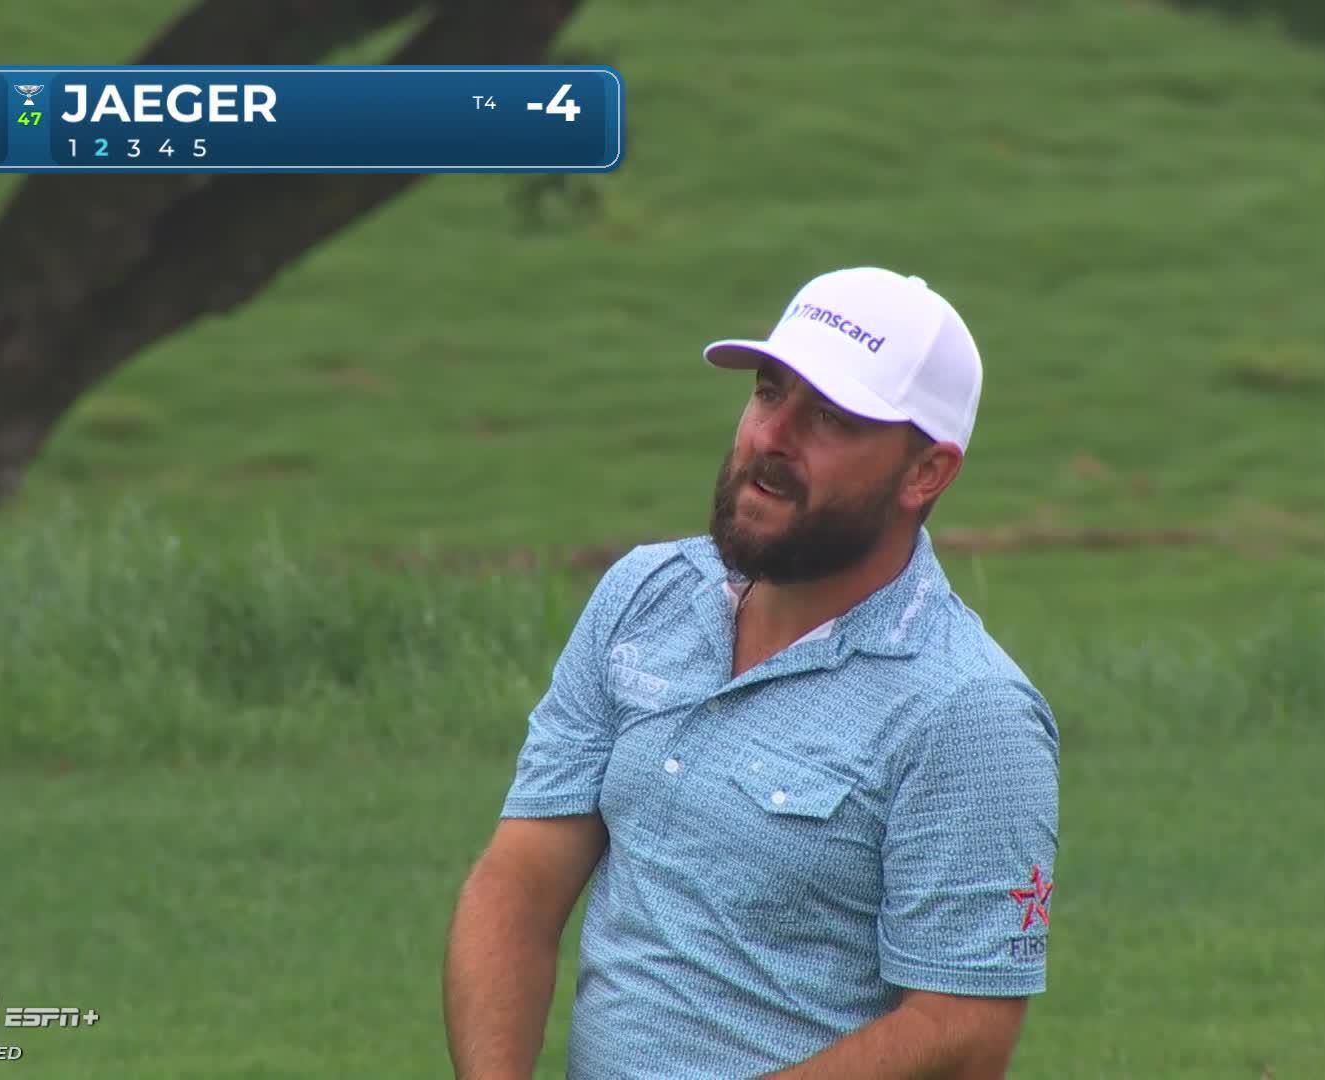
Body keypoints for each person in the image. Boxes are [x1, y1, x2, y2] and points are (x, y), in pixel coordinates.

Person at [443, 267, 1061, 1079]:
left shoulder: (969, 711)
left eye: (831, 418)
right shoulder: (646, 595)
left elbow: (961, 1031)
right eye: (770, 392)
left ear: (926, 474)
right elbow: (519, 881)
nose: (773, 436)